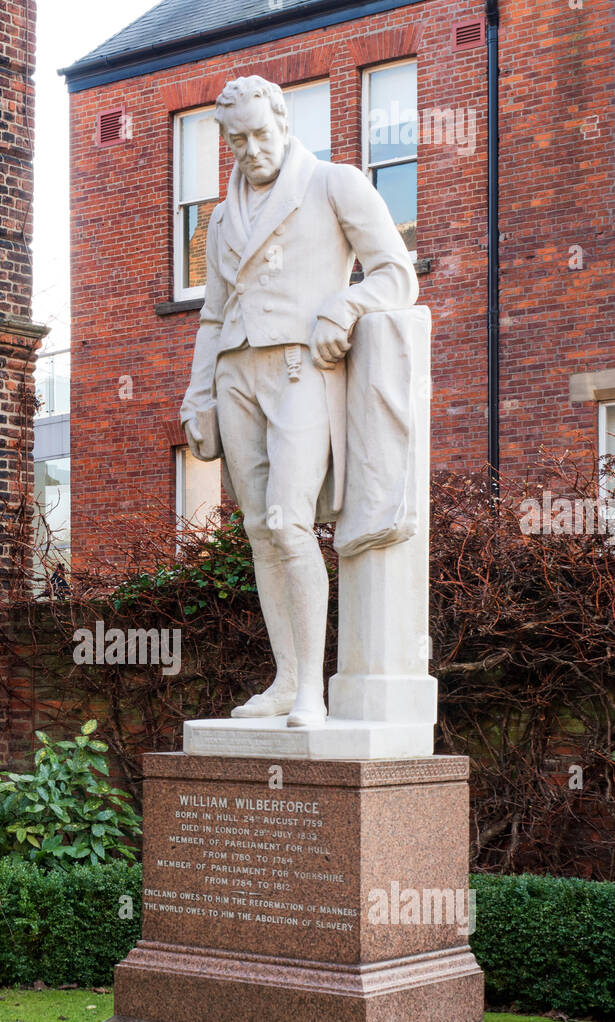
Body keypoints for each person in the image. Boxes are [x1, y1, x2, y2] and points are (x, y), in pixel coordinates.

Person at [181, 75, 417, 724]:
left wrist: (347, 303)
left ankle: (311, 688)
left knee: (289, 523)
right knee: (259, 531)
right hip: (236, 373)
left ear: (283, 124)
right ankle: (285, 681)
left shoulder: (332, 183)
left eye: (260, 133)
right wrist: (197, 393)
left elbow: (397, 275)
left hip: (300, 369)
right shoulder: (222, 215)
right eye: (236, 140)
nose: (250, 148)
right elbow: (211, 314)